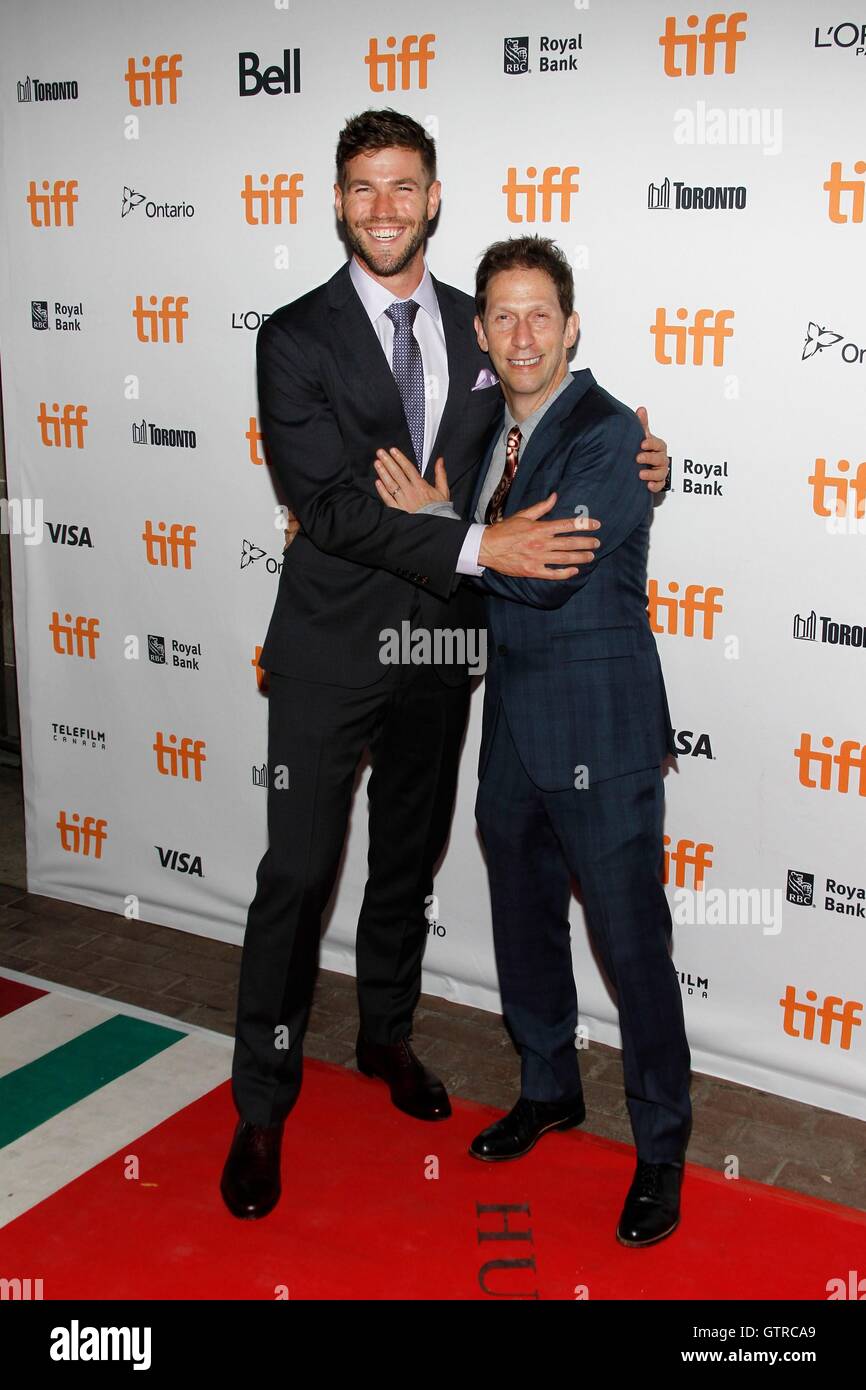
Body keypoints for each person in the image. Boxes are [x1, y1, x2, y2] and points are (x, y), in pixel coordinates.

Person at [221, 111, 670, 1221]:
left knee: (406, 866)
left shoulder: (481, 326)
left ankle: (385, 1038)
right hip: (332, 651)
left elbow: (543, 418)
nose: (383, 206)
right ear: (337, 202)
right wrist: (475, 542)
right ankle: (261, 1105)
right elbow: (325, 506)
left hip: (443, 650)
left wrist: (647, 459)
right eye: (362, 188)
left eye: (403, 186)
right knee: (295, 874)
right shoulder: (294, 336)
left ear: (432, 198)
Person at [374, 235, 691, 1248]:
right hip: (509, 721)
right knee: (520, 916)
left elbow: (543, 567)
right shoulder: (482, 438)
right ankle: (548, 1086)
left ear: (570, 326)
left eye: (538, 315)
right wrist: (440, 524)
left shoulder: (605, 436)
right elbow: (469, 551)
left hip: (599, 726)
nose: (520, 334)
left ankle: (661, 1146)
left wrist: (441, 529)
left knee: (631, 945)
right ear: (480, 331)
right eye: (501, 316)